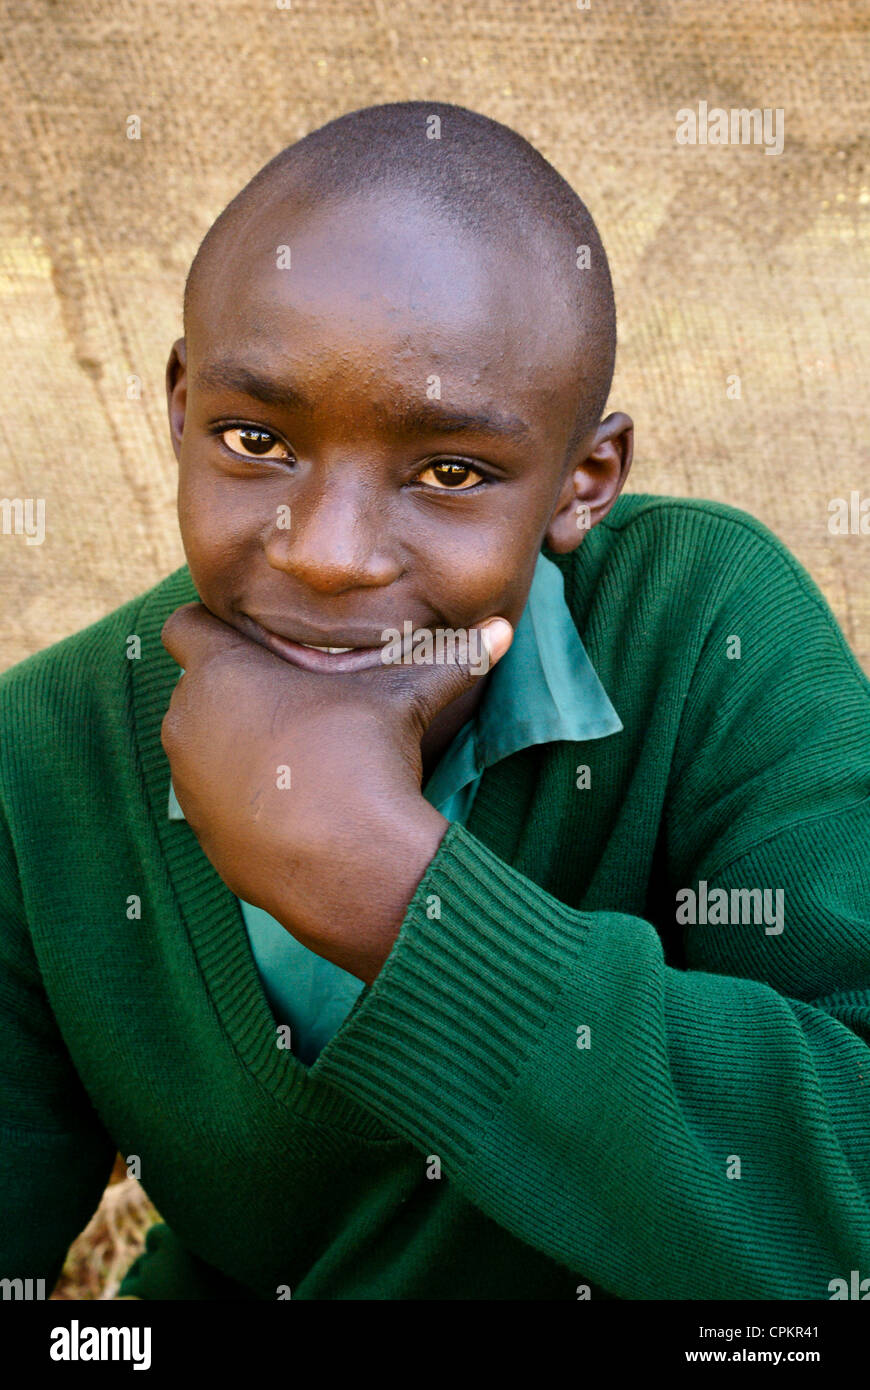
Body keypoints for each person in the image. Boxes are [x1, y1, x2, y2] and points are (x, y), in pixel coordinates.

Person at [1, 101, 868, 1301]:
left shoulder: (710, 628)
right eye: (256, 438)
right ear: (179, 406)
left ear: (584, 480)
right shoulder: (42, 760)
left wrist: (399, 897)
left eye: (450, 471)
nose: (331, 554)